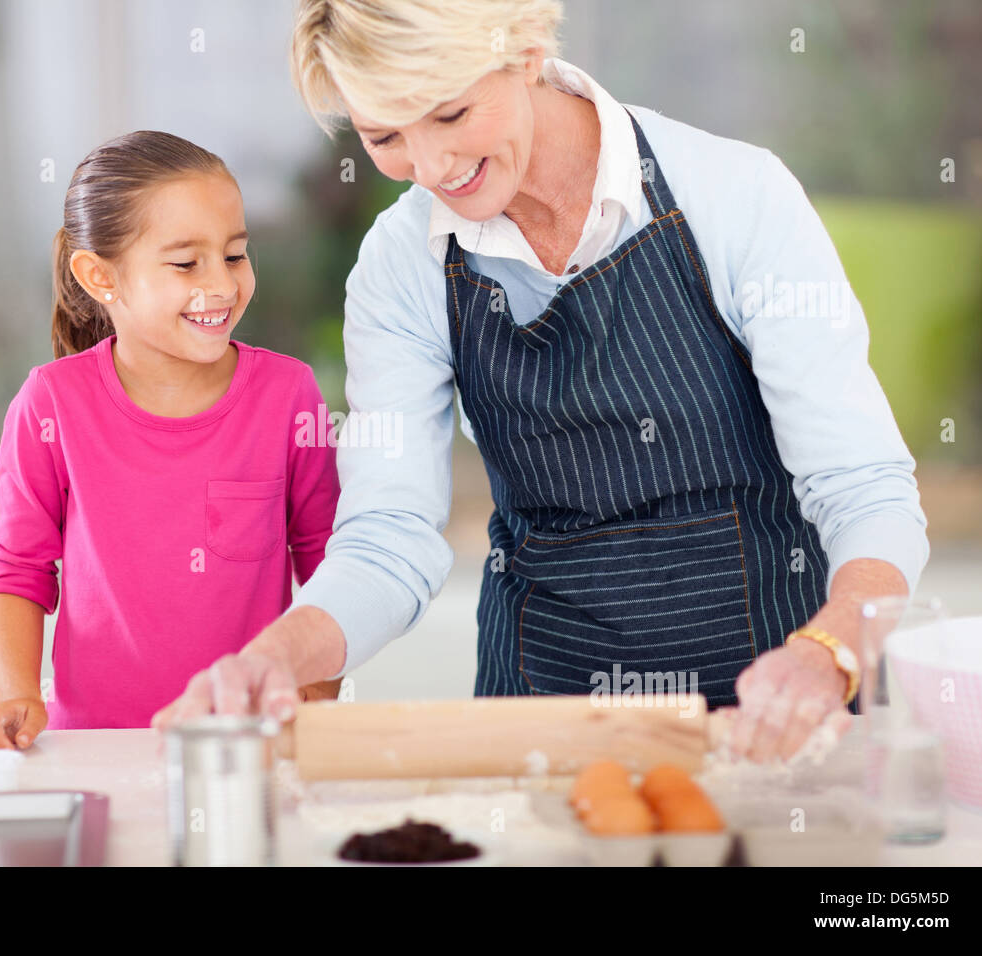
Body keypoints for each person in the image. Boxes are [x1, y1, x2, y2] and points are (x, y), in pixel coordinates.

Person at [152, 0, 930, 764]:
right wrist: (275, 658)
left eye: (451, 114)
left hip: (777, 720)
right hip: (539, 729)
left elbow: (865, 489)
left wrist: (830, 651)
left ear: (525, 49)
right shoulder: (401, 267)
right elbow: (389, 538)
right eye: (384, 135)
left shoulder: (733, 195)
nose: (430, 169)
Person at [0, 131, 341, 748]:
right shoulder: (50, 403)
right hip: (95, 749)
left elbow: (326, 558)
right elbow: (17, 568)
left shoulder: (289, 394)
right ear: (100, 277)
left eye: (236, 255)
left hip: (250, 740)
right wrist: (19, 695)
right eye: (186, 263)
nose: (220, 284)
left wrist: (316, 695)